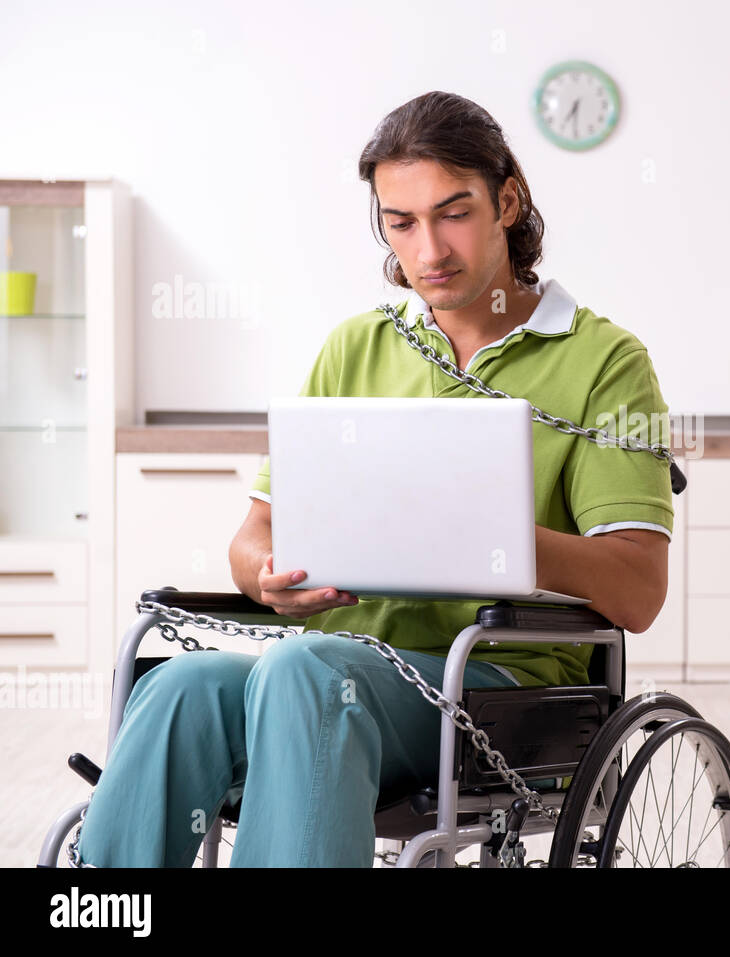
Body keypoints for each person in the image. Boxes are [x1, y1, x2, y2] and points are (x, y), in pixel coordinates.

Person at [76, 91, 674, 867]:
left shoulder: (605, 361)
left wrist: (492, 539)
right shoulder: (354, 348)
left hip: (494, 689)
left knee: (305, 669)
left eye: (453, 212)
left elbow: (638, 590)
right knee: (179, 688)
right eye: (401, 222)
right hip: (328, 669)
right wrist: (266, 577)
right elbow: (254, 536)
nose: (429, 249)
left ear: (509, 201)